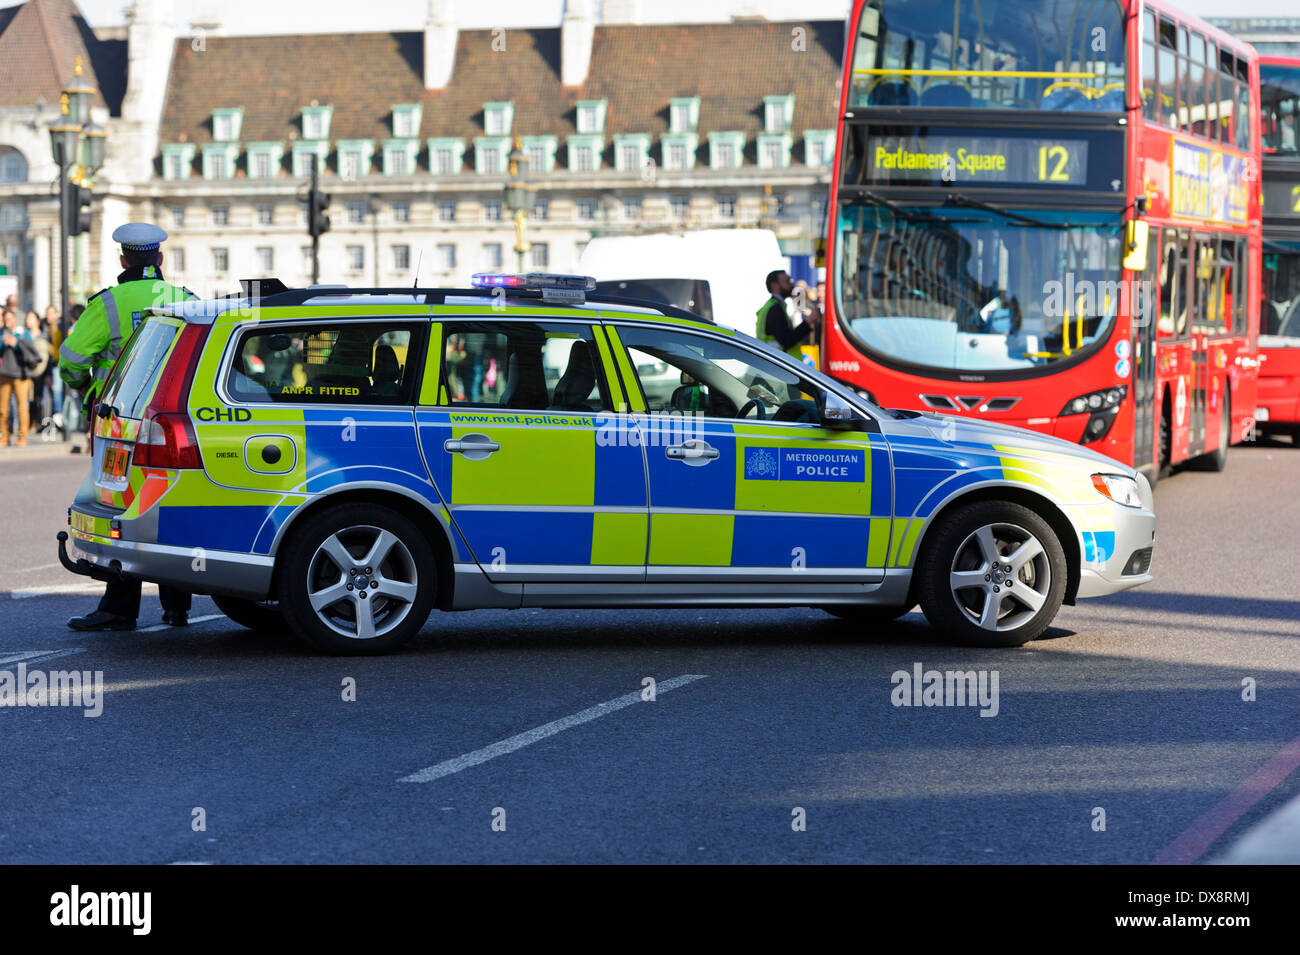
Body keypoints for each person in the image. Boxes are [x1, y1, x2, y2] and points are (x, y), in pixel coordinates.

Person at [60, 222, 196, 631]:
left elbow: (71, 360)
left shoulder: (108, 304)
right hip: (171, 418)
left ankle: (119, 608)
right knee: (170, 504)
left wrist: (87, 389)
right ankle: (177, 607)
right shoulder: (185, 298)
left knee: (117, 508)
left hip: (120, 420)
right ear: (159, 259)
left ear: (124, 260)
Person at [0, 309, 40, 446]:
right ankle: (4, 436)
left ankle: (22, 437)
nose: (7, 322)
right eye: (5, 320)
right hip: (5, 373)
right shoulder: (2, 333)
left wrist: (16, 344)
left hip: (21, 374)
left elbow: (30, 350)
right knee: (3, 409)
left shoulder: (24, 333)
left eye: (9, 319)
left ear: (15, 319)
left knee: (22, 407)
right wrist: (3, 342)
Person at [757, 269, 817, 359]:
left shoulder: (775, 306)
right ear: (774, 286)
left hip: (774, 364)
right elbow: (787, 341)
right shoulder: (775, 309)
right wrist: (809, 321)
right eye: (787, 281)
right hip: (777, 366)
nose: (792, 284)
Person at [23, 311, 50, 435]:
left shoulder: (44, 336)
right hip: (25, 372)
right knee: (27, 400)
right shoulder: (23, 335)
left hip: (41, 373)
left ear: (38, 321)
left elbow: (48, 357)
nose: (29, 320)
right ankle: (28, 424)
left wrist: (48, 374)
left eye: (31, 318)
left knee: (39, 399)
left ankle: (38, 423)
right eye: (28, 318)